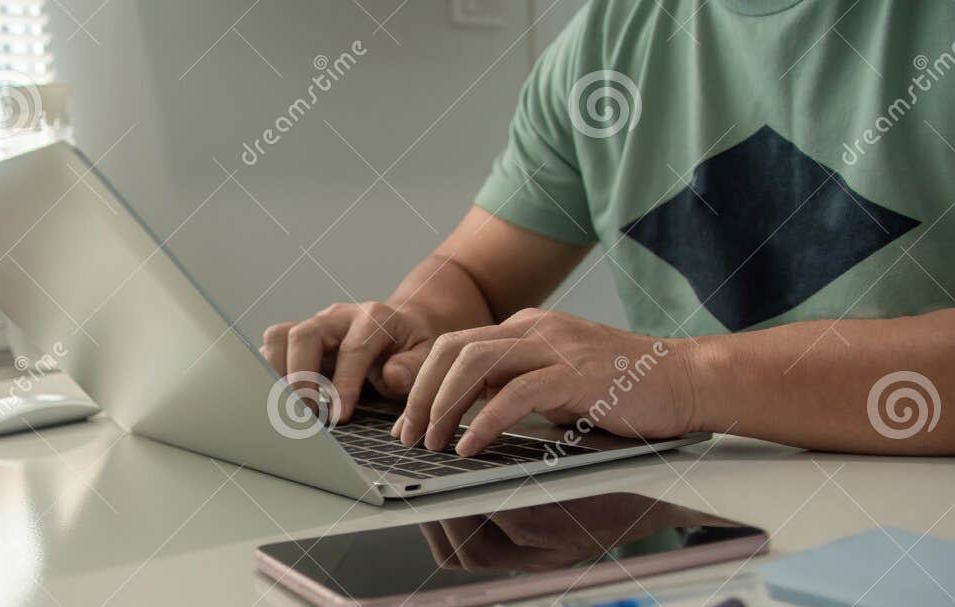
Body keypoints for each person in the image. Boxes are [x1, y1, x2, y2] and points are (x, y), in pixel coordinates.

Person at [262, 0, 955, 458]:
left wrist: (682, 380)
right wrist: (413, 323)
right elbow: (474, 276)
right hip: (690, 522)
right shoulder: (603, 43)